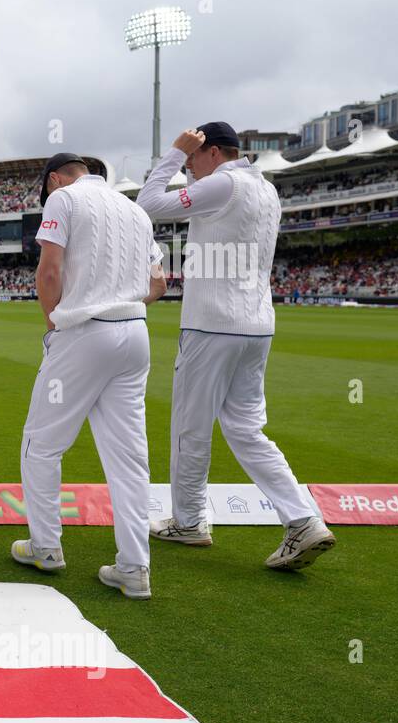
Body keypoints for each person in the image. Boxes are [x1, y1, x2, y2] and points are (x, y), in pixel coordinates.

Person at [136, 123, 336, 570]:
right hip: (256, 325)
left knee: (191, 428)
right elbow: (203, 209)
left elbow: (147, 205)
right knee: (247, 430)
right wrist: (190, 168)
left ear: (211, 152)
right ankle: (303, 520)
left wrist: (172, 154)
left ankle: (189, 522)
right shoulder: (264, 189)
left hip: (211, 325)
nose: (189, 168)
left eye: (193, 160)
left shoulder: (223, 182)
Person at [13, 153, 167, 599]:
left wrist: (54, 320)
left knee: (41, 445)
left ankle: (46, 548)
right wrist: (120, 302)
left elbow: (49, 270)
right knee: (129, 458)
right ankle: (135, 568)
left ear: (56, 178)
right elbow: (158, 283)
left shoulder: (64, 199)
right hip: (134, 334)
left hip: (83, 332)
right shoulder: (136, 210)